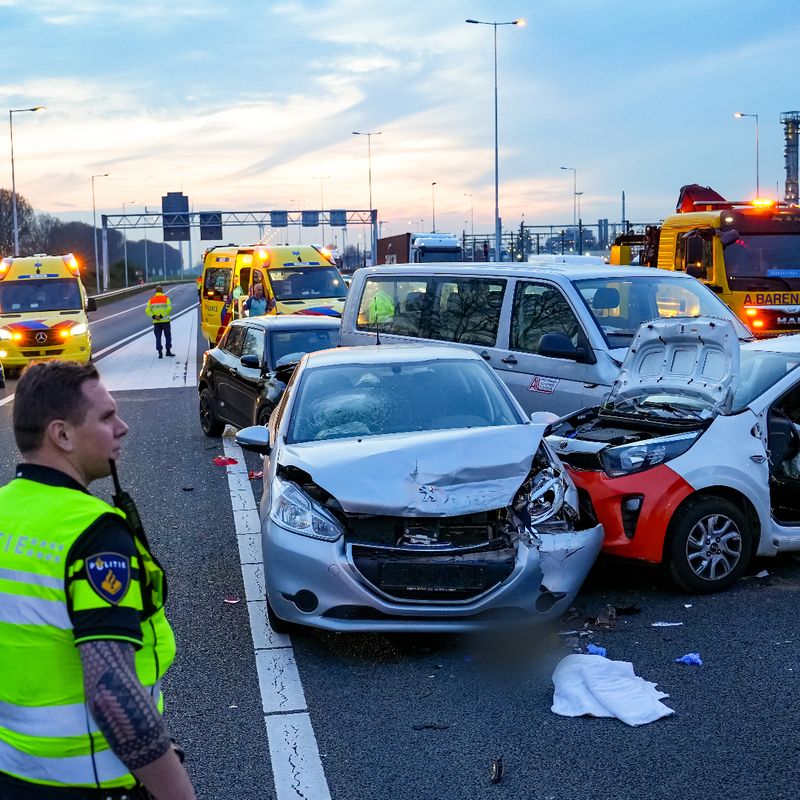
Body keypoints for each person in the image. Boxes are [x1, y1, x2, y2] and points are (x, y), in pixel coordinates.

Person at [0, 361, 196, 800]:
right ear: (62, 435)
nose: (122, 428)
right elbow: (113, 697)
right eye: (106, 417)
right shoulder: (93, 534)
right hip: (96, 784)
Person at [145, 285, 174, 358]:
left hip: (156, 322)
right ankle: (168, 351)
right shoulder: (166, 298)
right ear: (162, 291)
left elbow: (147, 311)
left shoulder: (151, 300)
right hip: (165, 321)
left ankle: (160, 353)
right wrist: (161, 316)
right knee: (167, 336)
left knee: (158, 337)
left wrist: (154, 316)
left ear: (156, 291)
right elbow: (168, 309)